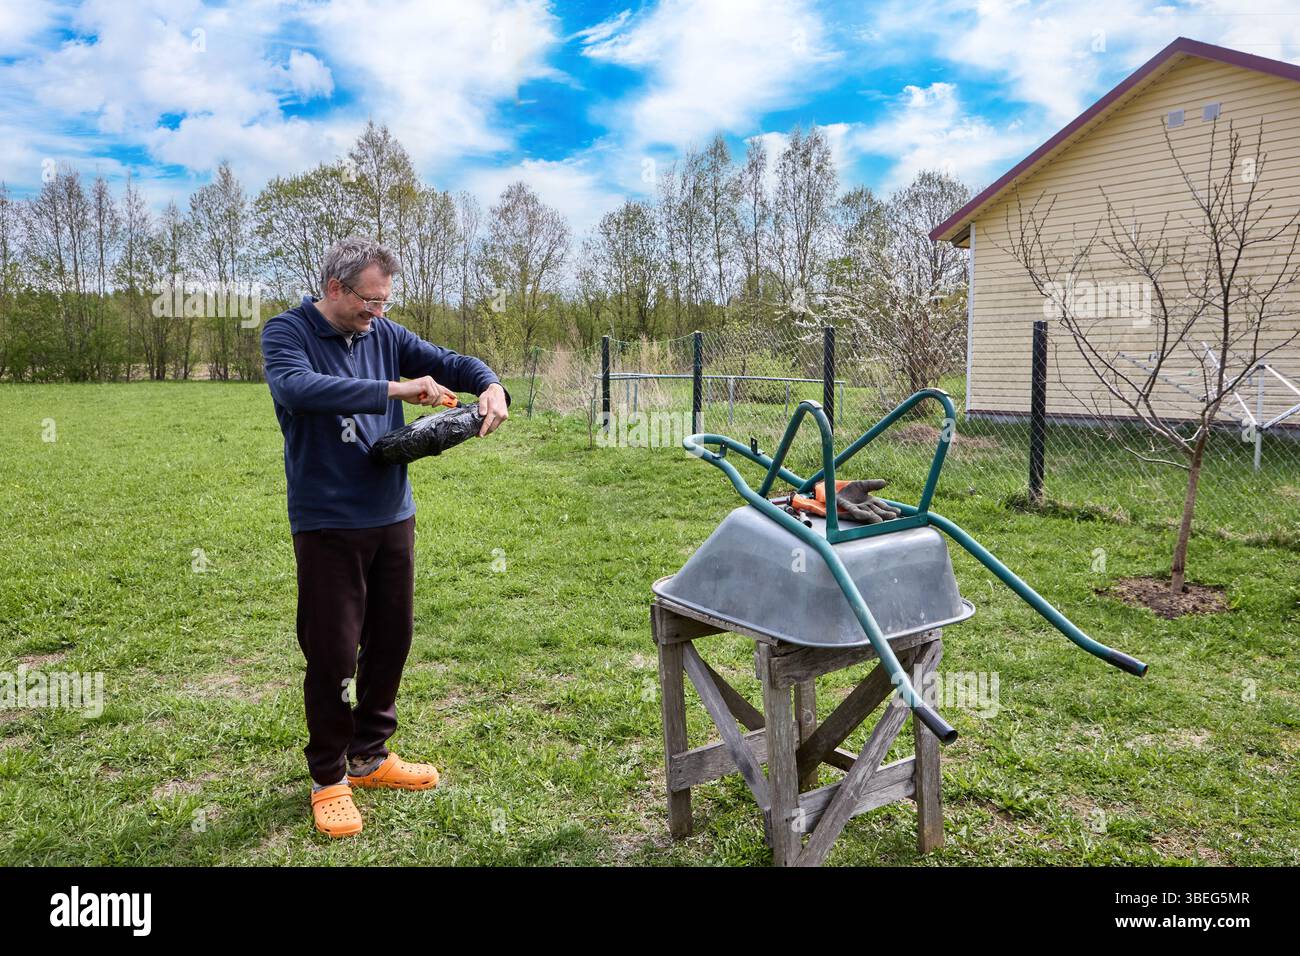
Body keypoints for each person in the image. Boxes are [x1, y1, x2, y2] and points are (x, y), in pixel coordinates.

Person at [261, 236, 509, 837]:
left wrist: (491, 383)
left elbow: (448, 360)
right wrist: (397, 390)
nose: (379, 313)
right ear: (334, 289)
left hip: (391, 511)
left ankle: (370, 756)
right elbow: (300, 390)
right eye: (369, 302)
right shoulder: (286, 332)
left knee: (392, 637)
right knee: (332, 651)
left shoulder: (385, 333)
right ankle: (328, 779)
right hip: (326, 518)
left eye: (385, 303)